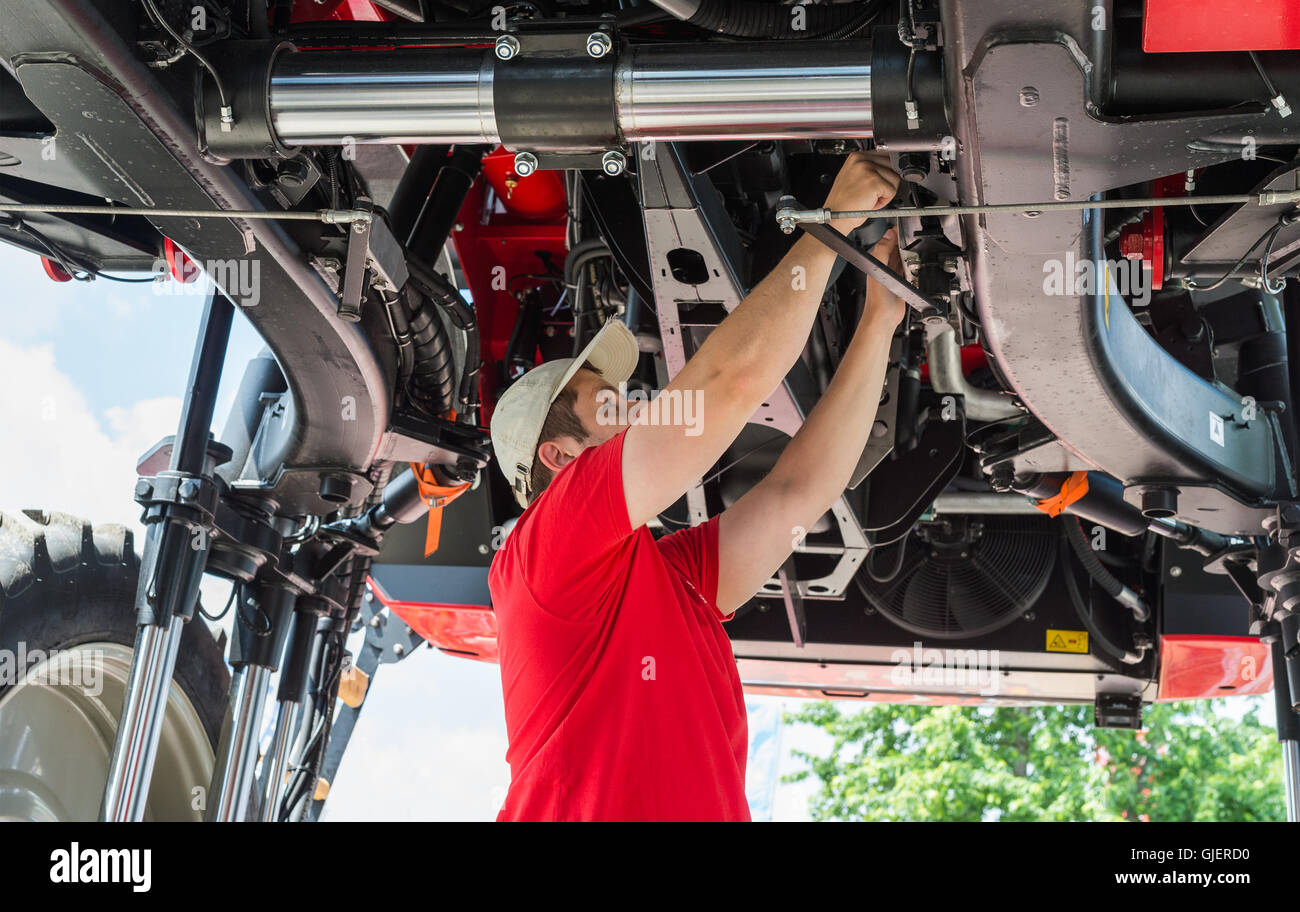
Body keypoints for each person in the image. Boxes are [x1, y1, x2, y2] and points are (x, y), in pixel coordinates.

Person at [487, 151, 905, 821]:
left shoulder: (660, 575)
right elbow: (739, 405)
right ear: (558, 458)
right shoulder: (545, 547)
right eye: (607, 404)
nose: (632, 408)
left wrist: (869, 301)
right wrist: (837, 235)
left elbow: (790, 483)